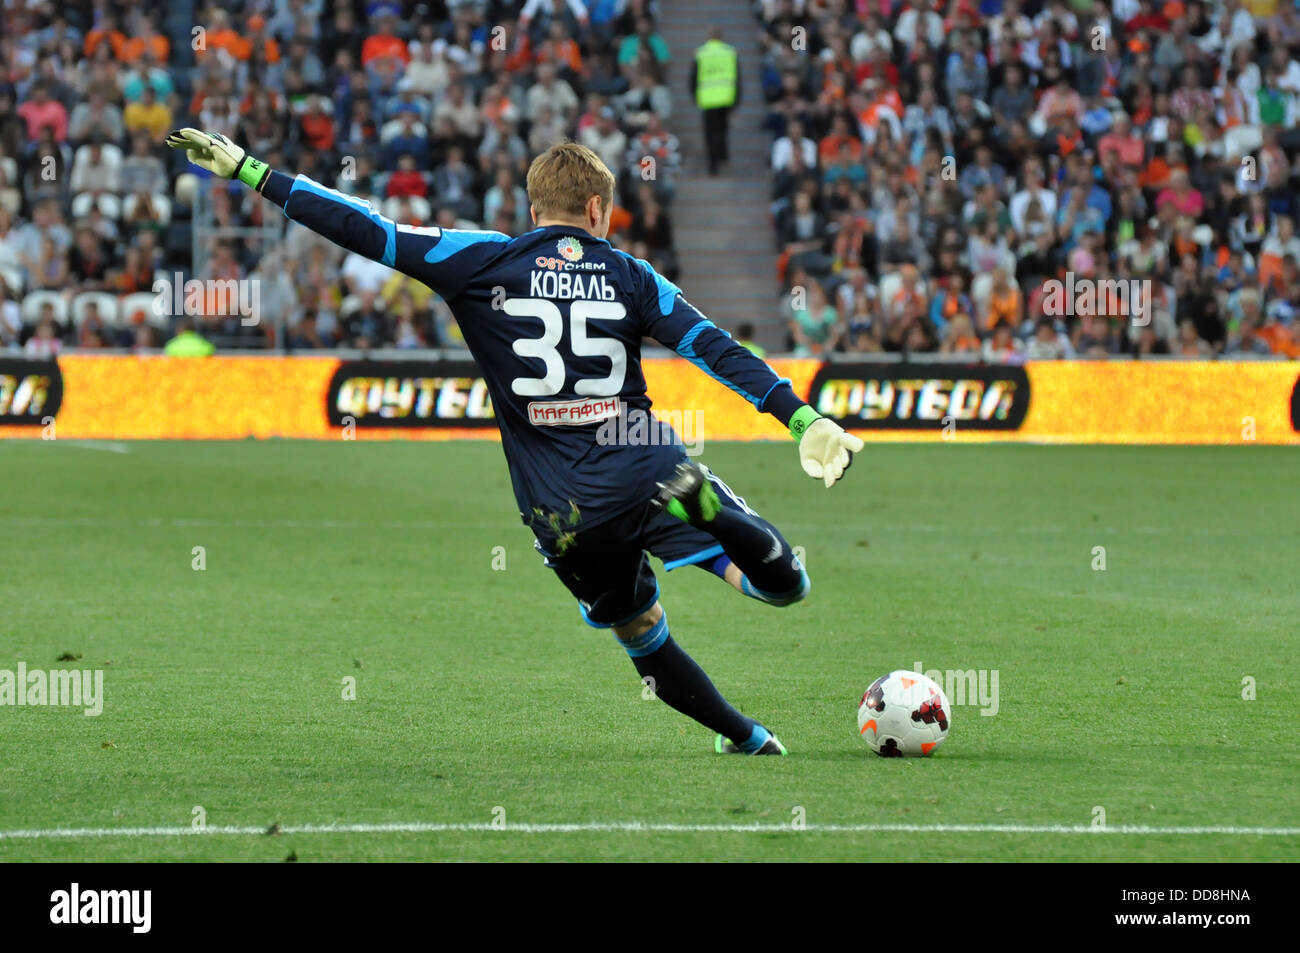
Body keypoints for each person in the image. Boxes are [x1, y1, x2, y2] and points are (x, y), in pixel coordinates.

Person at [166, 129, 863, 756]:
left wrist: (254, 171)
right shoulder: (631, 275)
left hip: (559, 505)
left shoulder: (479, 260)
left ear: (533, 211)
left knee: (639, 628)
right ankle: (717, 517)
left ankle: (748, 737)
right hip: (647, 461)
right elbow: (716, 349)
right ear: (598, 211)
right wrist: (804, 419)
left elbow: (366, 230)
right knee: (783, 590)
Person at [690, 28, 740, 176]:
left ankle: (713, 164)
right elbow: (737, 77)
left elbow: (693, 77)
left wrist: (695, 95)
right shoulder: (730, 52)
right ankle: (723, 156)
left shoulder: (701, 52)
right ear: (721, 37)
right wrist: (736, 98)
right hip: (726, 97)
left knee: (710, 133)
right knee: (723, 129)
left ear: (709, 37)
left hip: (708, 98)